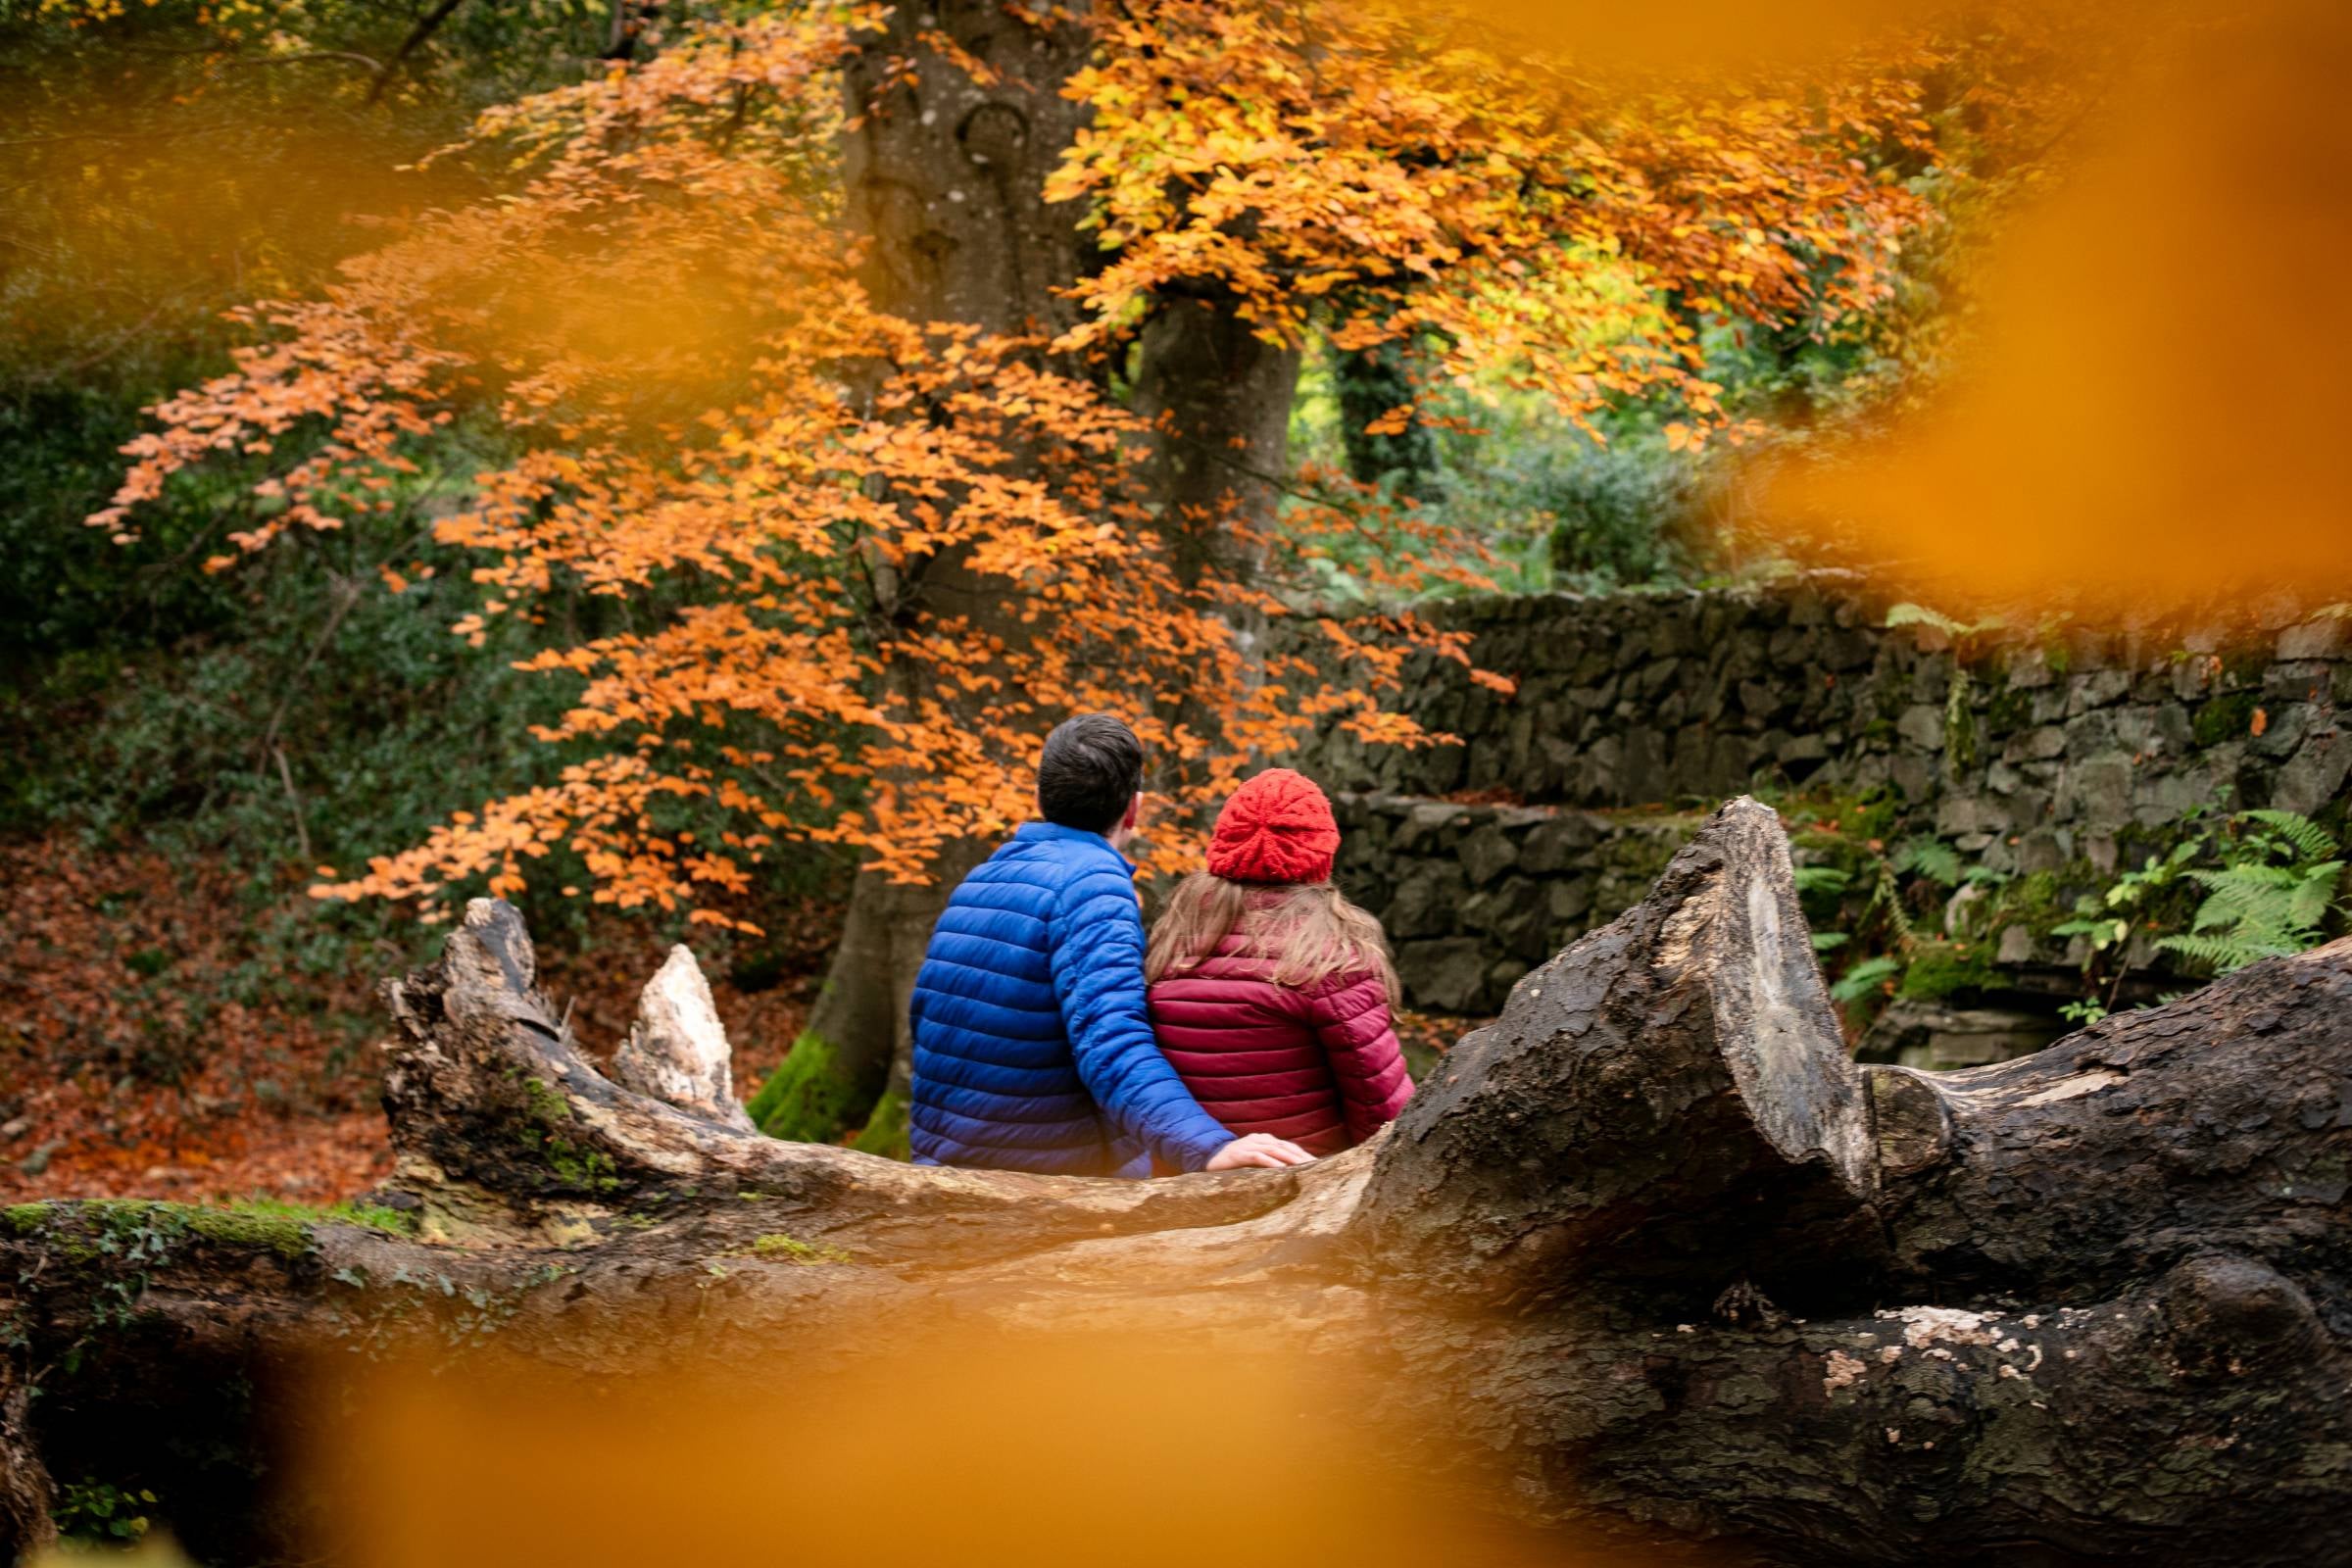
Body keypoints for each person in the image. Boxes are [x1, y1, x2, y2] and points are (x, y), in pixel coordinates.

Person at [907, 714, 1316, 1177]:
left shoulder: (984, 877)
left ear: (1039, 797)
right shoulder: (1090, 884)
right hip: (1047, 1185)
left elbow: (927, 1024)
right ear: (1133, 810)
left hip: (950, 1165)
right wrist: (1206, 1146)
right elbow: (1110, 1039)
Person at [1144, 768, 1414, 1156]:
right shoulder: (1330, 958)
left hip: (1188, 1173)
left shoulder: (1173, 938)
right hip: (1301, 1183)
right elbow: (1379, 1105)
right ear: (1320, 855)